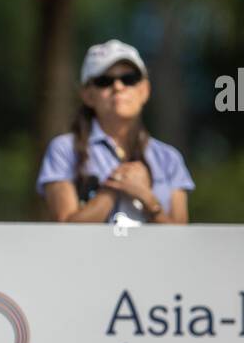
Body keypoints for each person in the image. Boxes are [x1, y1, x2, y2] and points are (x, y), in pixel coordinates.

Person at [38, 39, 194, 225]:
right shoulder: (64, 149)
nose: (118, 87)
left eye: (129, 79)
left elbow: (180, 240)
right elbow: (65, 228)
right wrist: (115, 186)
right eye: (104, 81)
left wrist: (147, 198)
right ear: (87, 95)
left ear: (145, 90)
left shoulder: (169, 158)